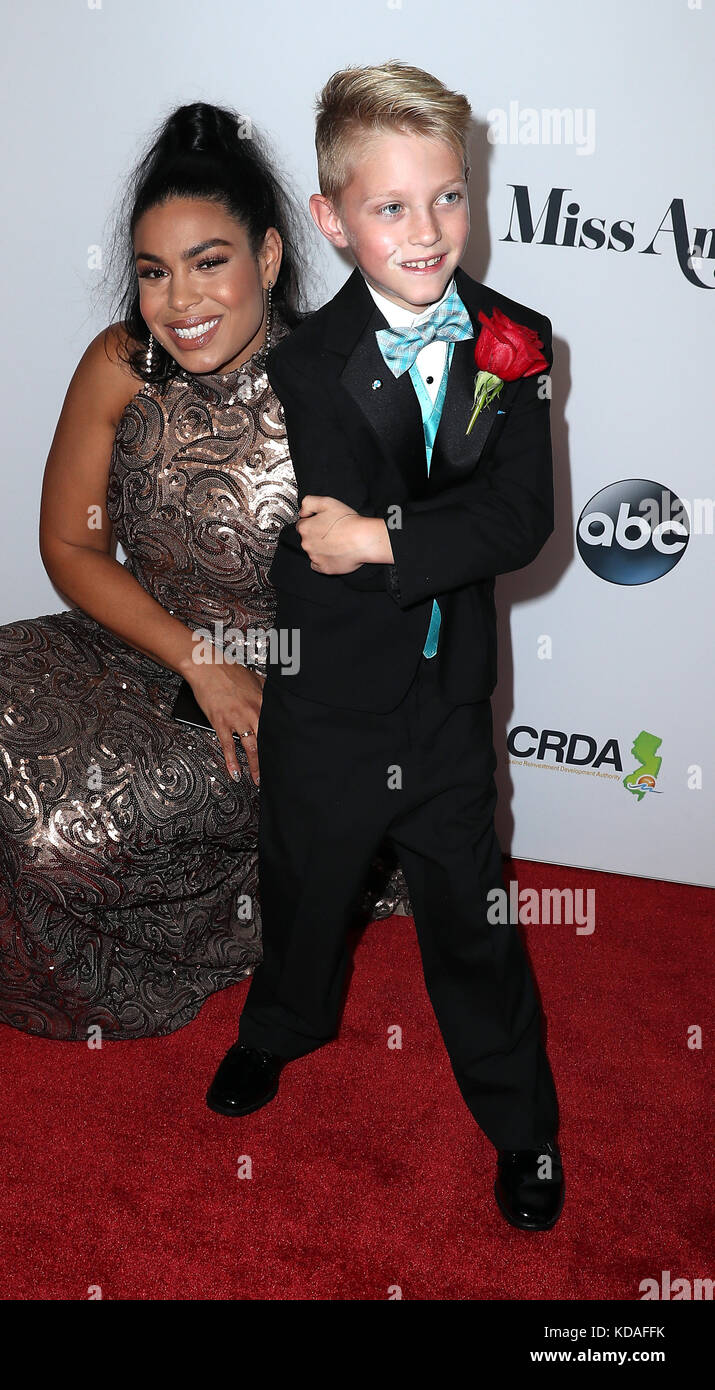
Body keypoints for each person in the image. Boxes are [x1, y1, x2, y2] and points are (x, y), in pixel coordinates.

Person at [0, 102, 411, 1043]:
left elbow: (387, 599)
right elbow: (71, 548)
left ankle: (255, 908)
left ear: (270, 261)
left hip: (277, 676)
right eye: (155, 273)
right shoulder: (121, 363)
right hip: (139, 633)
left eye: (211, 263)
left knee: (69, 833)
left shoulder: (338, 385)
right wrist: (190, 652)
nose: (181, 301)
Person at [205, 64, 564, 1232]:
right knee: (305, 888)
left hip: (448, 704)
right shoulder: (304, 361)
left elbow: (519, 521)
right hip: (331, 695)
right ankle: (278, 1029)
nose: (427, 231)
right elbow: (318, 526)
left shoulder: (521, 344)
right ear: (331, 219)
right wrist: (367, 537)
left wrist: (383, 535)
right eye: (392, 207)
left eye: (448, 198)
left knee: (474, 914)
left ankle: (525, 1127)